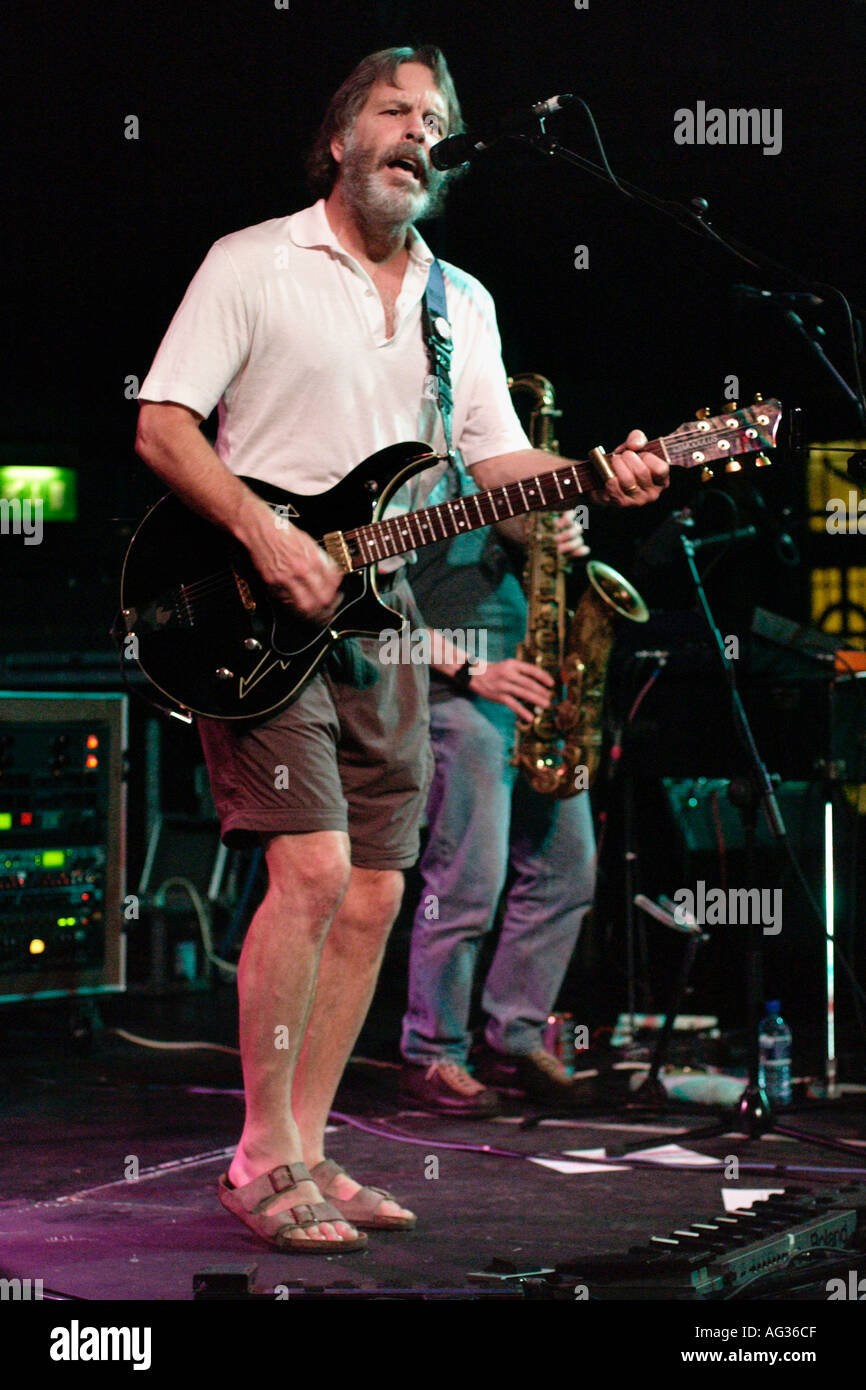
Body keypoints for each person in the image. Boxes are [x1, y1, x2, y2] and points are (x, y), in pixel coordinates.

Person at [134, 45, 670, 1253]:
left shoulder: (456, 303)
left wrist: (609, 472)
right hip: (250, 612)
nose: (416, 130)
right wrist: (269, 540)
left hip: (377, 627)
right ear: (339, 139)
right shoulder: (254, 263)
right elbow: (163, 425)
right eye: (393, 109)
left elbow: (493, 464)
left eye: (434, 118)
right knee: (314, 872)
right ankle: (259, 1155)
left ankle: (306, 1153)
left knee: (376, 891)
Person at [400, 474, 597, 1116]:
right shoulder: (395, 470)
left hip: (530, 686)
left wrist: (555, 532)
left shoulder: (493, 462)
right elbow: (373, 614)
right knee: (467, 880)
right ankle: (433, 1053)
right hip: (455, 690)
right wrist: (473, 669)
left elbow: (513, 529)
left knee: (569, 868)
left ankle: (512, 1036)